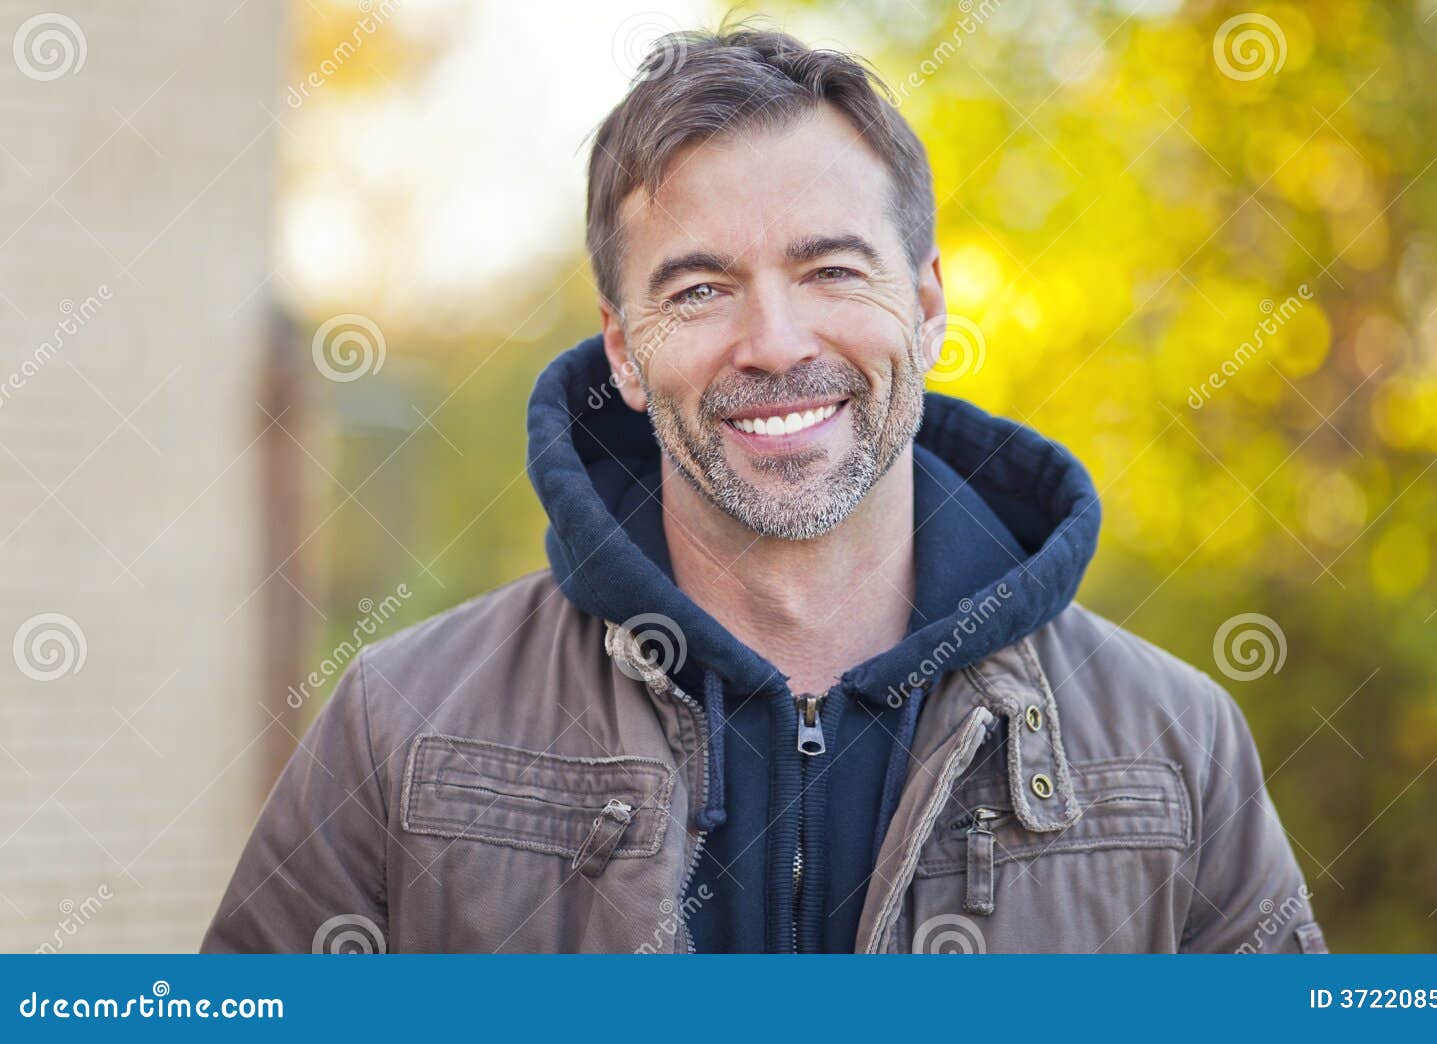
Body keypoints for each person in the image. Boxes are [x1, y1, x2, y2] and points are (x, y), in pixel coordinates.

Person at [201, 23, 1325, 955]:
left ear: (927, 306)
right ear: (624, 351)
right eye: (699, 289)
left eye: (831, 269)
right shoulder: (403, 726)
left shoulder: (1174, 747)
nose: (775, 343)